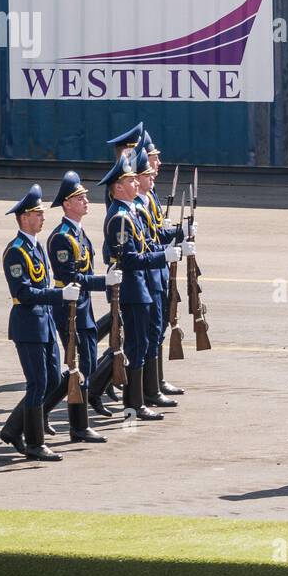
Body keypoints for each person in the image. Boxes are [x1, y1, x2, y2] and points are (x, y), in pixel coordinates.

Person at [0, 185, 71, 461]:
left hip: (45, 323)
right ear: (25, 217)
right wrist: (59, 295)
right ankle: (34, 443)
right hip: (28, 324)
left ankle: (13, 429)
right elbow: (23, 293)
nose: (42, 218)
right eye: (38, 214)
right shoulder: (16, 251)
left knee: (52, 380)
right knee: (37, 383)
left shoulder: (35, 246)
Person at [101, 154, 177, 422]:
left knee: (142, 341)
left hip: (141, 286)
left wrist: (170, 244)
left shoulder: (130, 211)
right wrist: (163, 257)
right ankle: (133, 406)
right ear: (118, 187)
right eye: (130, 179)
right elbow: (130, 260)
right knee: (135, 345)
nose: (136, 183)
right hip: (133, 289)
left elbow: (146, 245)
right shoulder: (120, 217)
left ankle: (139, 399)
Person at [43, 171, 118, 442]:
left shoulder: (78, 232)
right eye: (80, 197)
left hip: (82, 305)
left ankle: (49, 413)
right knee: (80, 365)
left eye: (85, 196)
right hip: (69, 307)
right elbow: (72, 276)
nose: (86, 200)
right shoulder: (62, 237)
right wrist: (103, 282)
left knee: (85, 364)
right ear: (67, 204)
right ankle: (74, 424)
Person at [131, 143, 183, 411]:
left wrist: (180, 232)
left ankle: (155, 384)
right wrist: (166, 253)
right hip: (145, 277)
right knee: (143, 336)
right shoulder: (134, 207)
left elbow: (157, 234)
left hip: (155, 272)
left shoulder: (148, 199)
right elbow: (146, 244)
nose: (157, 168)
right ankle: (145, 391)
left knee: (156, 330)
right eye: (151, 165)